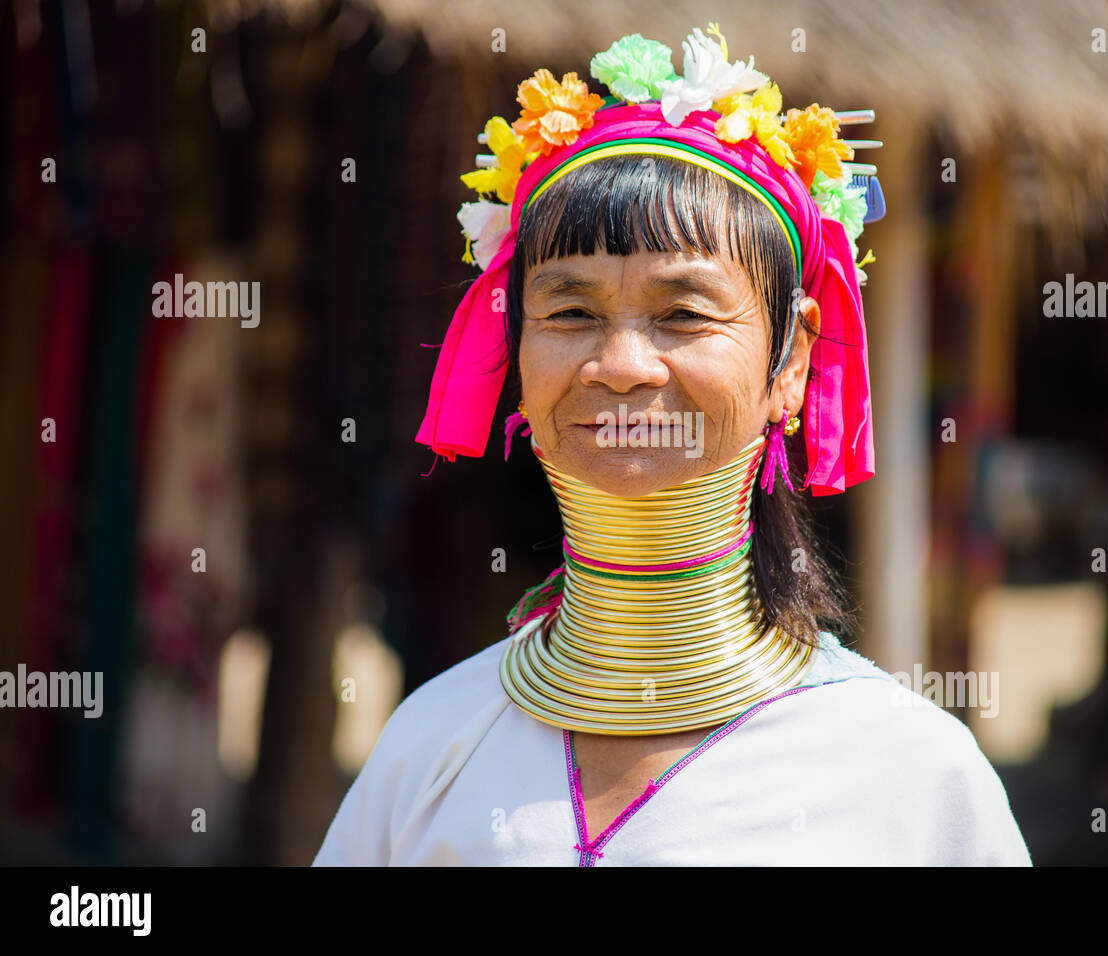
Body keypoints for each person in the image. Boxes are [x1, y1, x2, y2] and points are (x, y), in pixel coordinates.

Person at [313, 24, 1031, 866]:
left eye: (684, 314)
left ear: (791, 362)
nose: (619, 366)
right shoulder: (429, 748)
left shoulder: (912, 780)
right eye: (569, 313)